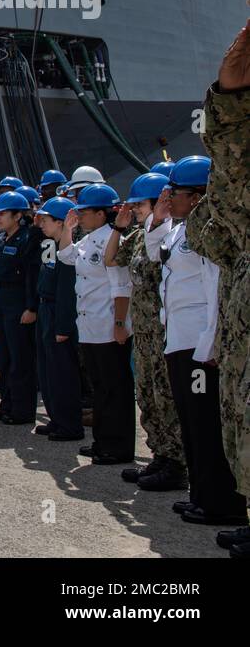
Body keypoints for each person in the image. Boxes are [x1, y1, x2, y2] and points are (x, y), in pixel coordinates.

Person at [146, 157, 245, 526]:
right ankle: (200, 494)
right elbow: (156, 253)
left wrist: (210, 343)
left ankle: (221, 502)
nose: (169, 199)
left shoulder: (210, 232)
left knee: (206, 424)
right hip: (178, 339)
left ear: (200, 196)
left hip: (198, 346)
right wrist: (157, 218)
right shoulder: (177, 229)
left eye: (177, 193)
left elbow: (214, 288)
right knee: (189, 420)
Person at [184, 17, 250, 556]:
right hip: (230, 345)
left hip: (218, 340)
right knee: (236, 426)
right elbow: (212, 236)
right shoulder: (229, 225)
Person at [107, 172, 187, 491]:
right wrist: (119, 227)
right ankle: (159, 454)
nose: (135, 209)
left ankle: (176, 463)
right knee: (149, 395)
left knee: (165, 396)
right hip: (144, 331)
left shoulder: (166, 233)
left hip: (163, 330)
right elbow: (112, 259)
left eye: (140, 204)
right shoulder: (141, 235)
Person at [58, 184, 135, 465]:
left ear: (102, 214)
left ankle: (118, 446)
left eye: (84, 212)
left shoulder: (113, 240)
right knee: (100, 387)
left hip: (108, 324)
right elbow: (66, 257)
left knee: (115, 388)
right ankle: (103, 440)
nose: (80, 216)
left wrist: (118, 323)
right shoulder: (89, 238)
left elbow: (121, 287)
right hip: (90, 325)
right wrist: (67, 229)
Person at [0, 192, 40, 425]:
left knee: (20, 357)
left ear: (18, 215)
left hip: (18, 299)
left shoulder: (28, 239)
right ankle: (7, 405)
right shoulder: (0, 239)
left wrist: (31, 307)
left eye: (3, 214)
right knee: (3, 357)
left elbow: (33, 277)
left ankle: (22, 410)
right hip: (0, 298)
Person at [32, 197, 85, 440]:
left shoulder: (69, 251)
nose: (41, 223)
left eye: (46, 219)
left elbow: (67, 291)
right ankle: (56, 418)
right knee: (48, 371)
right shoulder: (47, 245)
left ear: (62, 223)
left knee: (63, 372)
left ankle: (69, 424)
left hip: (58, 313)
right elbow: (43, 279)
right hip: (45, 310)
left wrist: (63, 326)